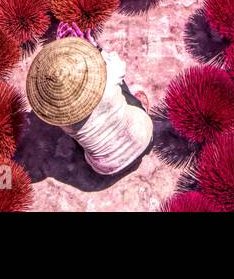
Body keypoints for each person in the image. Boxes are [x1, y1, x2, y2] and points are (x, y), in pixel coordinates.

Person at [25, 36, 154, 177]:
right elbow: (118, 64)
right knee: (119, 86)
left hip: (105, 168)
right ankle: (139, 105)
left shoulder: (56, 116)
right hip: (144, 140)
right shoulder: (106, 82)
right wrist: (95, 49)